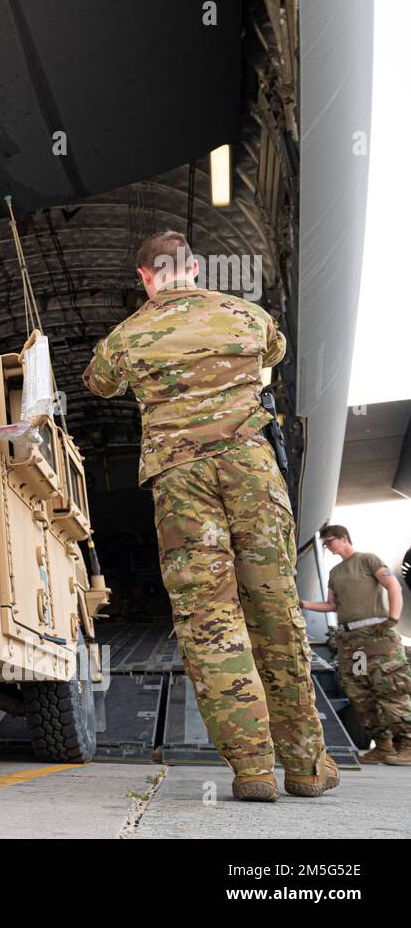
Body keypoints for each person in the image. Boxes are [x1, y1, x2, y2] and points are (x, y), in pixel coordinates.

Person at [83, 230, 336, 802]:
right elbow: (274, 353)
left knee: (210, 622)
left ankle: (252, 772)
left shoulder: (130, 335)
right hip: (251, 468)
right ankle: (306, 767)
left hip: (180, 483)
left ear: (144, 277)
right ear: (194, 267)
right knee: (275, 611)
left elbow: (98, 382)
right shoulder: (246, 315)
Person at [300, 525, 411, 764]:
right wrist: (302, 603)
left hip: (377, 638)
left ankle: (409, 743)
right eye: (326, 544)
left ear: (344, 538)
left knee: (391, 688)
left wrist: (393, 618)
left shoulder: (368, 560)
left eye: (330, 542)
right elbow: (331, 605)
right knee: (359, 692)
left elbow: (393, 586)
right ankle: (383, 745)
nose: (328, 547)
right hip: (352, 644)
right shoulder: (336, 572)